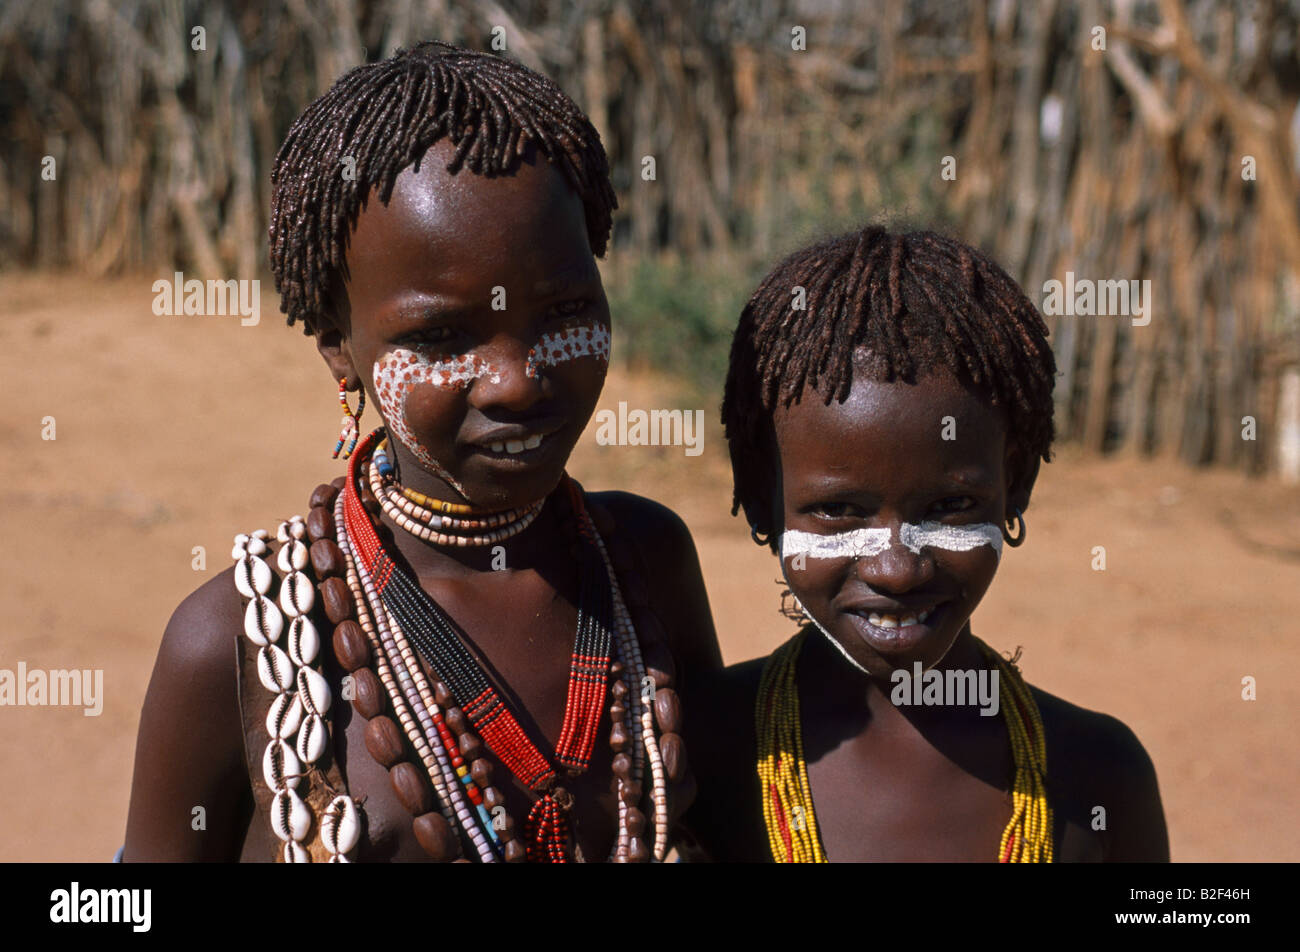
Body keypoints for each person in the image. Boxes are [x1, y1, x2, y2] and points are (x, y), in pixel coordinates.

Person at [122, 41, 720, 863]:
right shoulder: (239, 640)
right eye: (442, 336)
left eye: (566, 309)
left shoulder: (645, 566)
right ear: (340, 348)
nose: (517, 380)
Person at [678, 226, 1168, 862]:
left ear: (1014, 484)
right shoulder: (697, 758)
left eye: (950, 506)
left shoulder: (1097, 777)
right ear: (760, 496)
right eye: (837, 511)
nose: (898, 568)